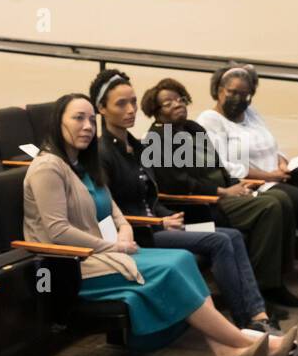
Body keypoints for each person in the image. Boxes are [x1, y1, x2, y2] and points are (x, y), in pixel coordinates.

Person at [23, 93, 297, 356]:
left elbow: (114, 210)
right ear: (57, 122)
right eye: (78, 118)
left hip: (102, 253)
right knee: (171, 267)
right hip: (69, 266)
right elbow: (57, 231)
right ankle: (247, 343)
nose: (88, 126)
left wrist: (125, 230)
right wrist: (114, 245)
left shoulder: (83, 164)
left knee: (180, 259)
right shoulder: (47, 168)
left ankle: (228, 352)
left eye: (91, 119)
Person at [92, 69, 283, 334]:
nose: (130, 109)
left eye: (133, 102)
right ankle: (247, 322)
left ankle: (257, 314)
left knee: (232, 236)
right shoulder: (104, 153)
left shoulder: (135, 147)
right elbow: (107, 212)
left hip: (165, 227)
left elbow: (151, 196)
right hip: (144, 234)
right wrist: (158, 219)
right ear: (101, 109)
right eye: (121, 104)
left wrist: (167, 214)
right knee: (218, 240)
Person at [142, 77, 298, 310]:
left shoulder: (192, 128)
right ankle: (264, 286)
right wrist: (225, 191)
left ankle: (276, 279)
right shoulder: (157, 139)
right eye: (167, 103)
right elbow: (176, 184)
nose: (177, 104)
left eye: (179, 99)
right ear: (155, 111)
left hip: (224, 192)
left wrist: (239, 184)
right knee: (270, 207)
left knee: (282, 198)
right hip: (202, 207)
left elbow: (216, 165)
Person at [196, 62, 298, 279]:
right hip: (252, 183)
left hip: (276, 173)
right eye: (233, 92)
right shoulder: (209, 121)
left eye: (245, 94)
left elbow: (271, 143)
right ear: (219, 90)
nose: (239, 99)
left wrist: (283, 162)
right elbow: (226, 166)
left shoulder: (251, 113)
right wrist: (270, 176)